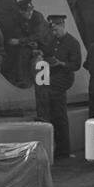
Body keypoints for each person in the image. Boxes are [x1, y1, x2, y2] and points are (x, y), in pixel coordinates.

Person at [36, 14, 82, 158]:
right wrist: (41, 55)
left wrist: (61, 63)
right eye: (52, 30)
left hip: (63, 78)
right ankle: (54, 147)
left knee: (59, 115)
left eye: (56, 30)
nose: (54, 33)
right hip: (51, 77)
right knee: (48, 109)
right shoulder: (53, 41)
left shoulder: (73, 43)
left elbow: (76, 65)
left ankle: (63, 150)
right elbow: (47, 53)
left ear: (62, 25)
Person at [4, 0, 47, 88]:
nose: (30, 13)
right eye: (27, 11)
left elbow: (38, 35)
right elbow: (17, 33)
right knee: (18, 52)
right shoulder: (18, 18)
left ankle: (25, 80)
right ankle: (21, 80)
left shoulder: (37, 16)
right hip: (31, 44)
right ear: (21, 11)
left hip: (45, 44)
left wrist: (20, 41)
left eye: (31, 10)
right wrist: (24, 41)